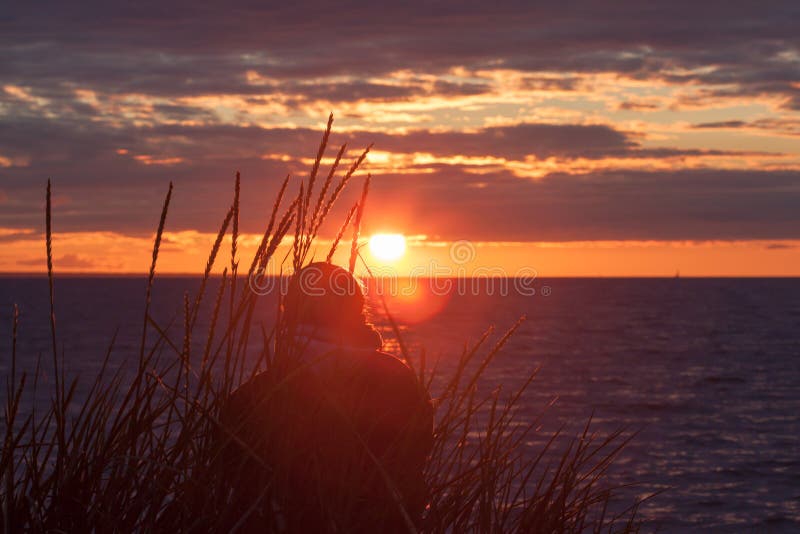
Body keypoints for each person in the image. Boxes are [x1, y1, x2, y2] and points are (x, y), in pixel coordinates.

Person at [216, 262, 434, 533]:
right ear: (358, 310)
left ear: (288, 310)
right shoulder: (399, 381)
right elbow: (416, 462)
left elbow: (231, 481)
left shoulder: (251, 399)